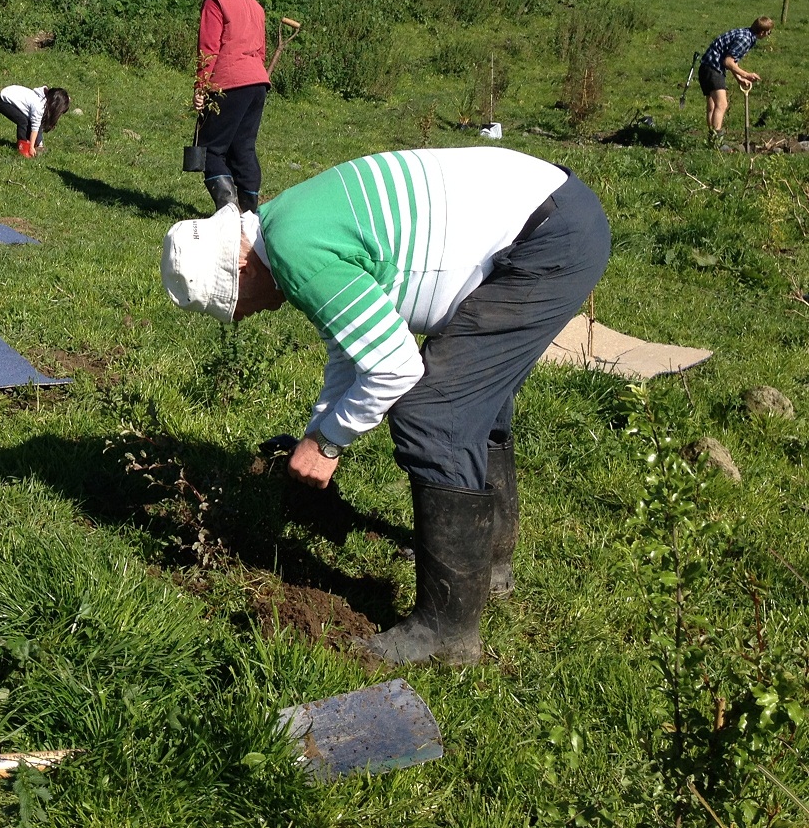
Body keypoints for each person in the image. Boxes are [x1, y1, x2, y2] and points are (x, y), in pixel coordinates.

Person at [161, 147, 610, 665]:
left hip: (547, 239)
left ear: (241, 264)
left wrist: (328, 443)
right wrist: (318, 433)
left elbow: (396, 368)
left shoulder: (294, 248)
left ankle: (447, 634)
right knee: (474, 397)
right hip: (556, 215)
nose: (238, 317)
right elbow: (350, 347)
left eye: (229, 302)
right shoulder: (286, 225)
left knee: (437, 413)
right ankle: (490, 567)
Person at [193, 0, 271, 214]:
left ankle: (228, 211)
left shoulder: (216, 0)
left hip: (230, 82)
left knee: (210, 149)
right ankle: (249, 213)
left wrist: (200, 87)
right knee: (243, 149)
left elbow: (208, 49)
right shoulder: (255, 5)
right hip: (258, 83)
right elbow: (261, 50)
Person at [698, 17, 773, 144]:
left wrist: (739, 78)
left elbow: (730, 60)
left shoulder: (743, 33)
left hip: (705, 67)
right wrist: (747, 74)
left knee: (712, 106)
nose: (768, 35)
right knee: (721, 105)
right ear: (762, 32)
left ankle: (711, 141)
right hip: (714, 69)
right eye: (769, 32)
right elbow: (728, 62)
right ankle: (716, 142)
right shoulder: (745, 39)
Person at [0, 84, 70, 156]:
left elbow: (38, 125)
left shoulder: (44, 102)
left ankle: (28, 143)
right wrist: (31, 148)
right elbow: (35, 128)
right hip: (1, 100)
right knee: (23, 121)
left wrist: (40, 145)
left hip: (7, 95)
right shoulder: (39, 106)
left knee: (27, 122)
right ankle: (23, 148)